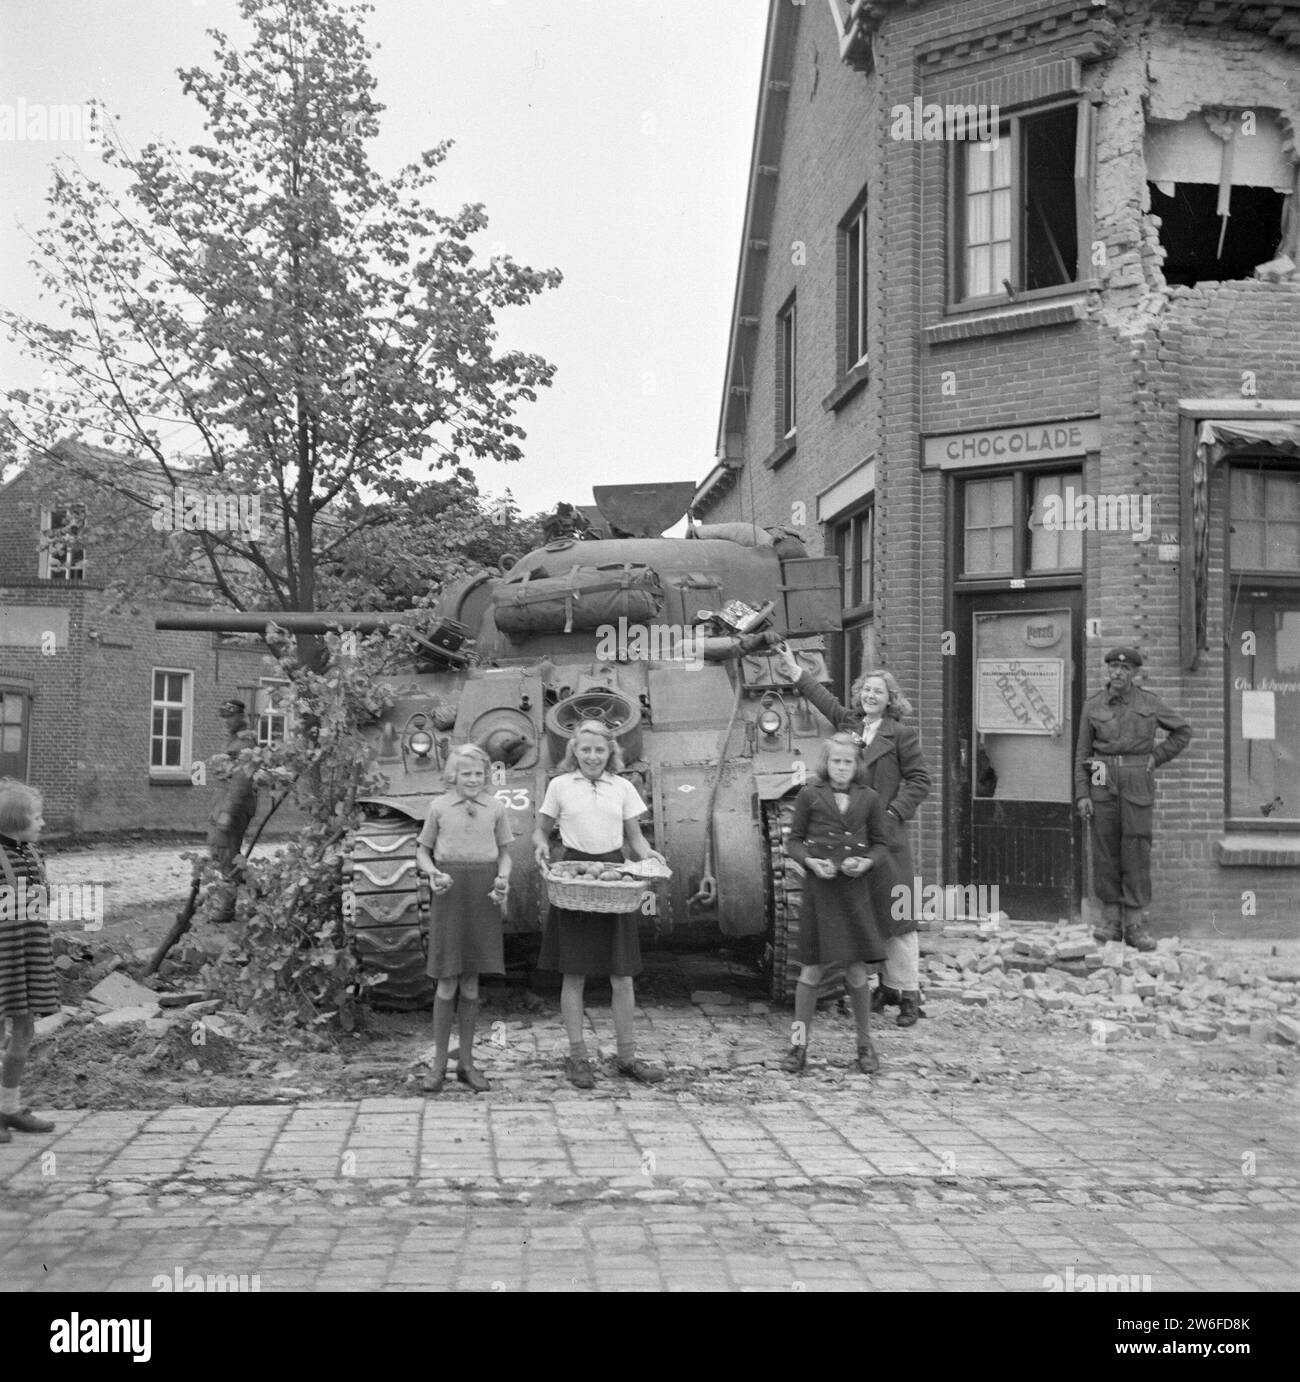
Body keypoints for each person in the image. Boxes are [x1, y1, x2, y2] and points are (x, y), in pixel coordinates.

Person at [776, 649, 932, 1026]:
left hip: (887, 837)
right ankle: (885, 987)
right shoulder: (851, 726)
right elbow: (824, 701)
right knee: (868, 914)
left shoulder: (902, 734)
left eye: (878, 692)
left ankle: (909, 994)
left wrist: (893, 812)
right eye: (866, 691)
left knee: (899, 913)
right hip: (855, 839)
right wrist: (797, 671)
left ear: (890, 698)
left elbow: (920, 780)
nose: (870, 697)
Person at [532, 721, 667, 1090]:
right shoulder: (559, 786)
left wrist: (648, 855)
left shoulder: (622, 787)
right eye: (585, 749)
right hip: (574, 873)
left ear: (611, 753)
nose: (592, 756)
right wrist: (541, 844)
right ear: (573, 750)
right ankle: (577, 1058)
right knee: (573, 974)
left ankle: (626, 1057)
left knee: (621, 976)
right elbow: (541, 829)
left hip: (614, 874)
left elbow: (635, 838)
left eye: (600, 750)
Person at [779, 734, 891, 1075]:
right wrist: (811, 863)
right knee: (811, 969)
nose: (841, 768)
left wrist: (867, 863)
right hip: (820, 891)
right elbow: (793, 841)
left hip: (855, 893)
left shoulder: (869, 798)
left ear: (856, 765)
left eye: (847, 762)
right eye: (835, 761)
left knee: (856, 970)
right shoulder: (810, 795)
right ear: (825, 764)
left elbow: (881, 844)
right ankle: (798, 1046)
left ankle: (864, 1047)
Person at [1074, 647, 1191, 951]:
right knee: (1105, 851)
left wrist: (1157, 756)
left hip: (1137, 778)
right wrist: (1082, 793)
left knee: (1136, 851)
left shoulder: (1149, 703)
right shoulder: (1093, 705)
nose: (1118, 673)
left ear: (1134, 673)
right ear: (1108, 670)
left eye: (1125, 669)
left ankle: (1134, 926)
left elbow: (1182, 731)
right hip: (1101, 775)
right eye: (1113, 667)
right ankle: (1112, 922)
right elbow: (1083, 754)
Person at [415, 744, 513, 1094]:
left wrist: (503, 878)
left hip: (482, 893)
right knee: (446, 981)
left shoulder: (496, 808)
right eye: (465, 773)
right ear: (452, 776)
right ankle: (439, 1064)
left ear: (486, 776)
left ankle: (467, 1063)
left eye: (478, 774)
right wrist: (431, 874)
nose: (472, 779)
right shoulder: (439, 807)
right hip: (449, 890)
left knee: (471, 983)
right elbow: (423, 852)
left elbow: (504, 855)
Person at [0, 780, 58, 1143]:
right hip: (2, 952)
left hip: (30, 949)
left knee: (24, 1031)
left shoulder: (33, 854)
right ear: (15, 820)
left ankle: (9, 1107)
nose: (43, 824)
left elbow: (42, 901)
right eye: (37, 817)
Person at [205, 699, 259, 924]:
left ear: (240, 716)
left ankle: (226, 909)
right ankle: (259, 891)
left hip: (234, 804)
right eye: (224, 717)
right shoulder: (236, 740)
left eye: (230, 717)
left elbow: (241, 780)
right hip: (227, 801)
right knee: (229, 852)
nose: (226, 722)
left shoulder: (245, 743)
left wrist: (228, 812)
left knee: (223, 850)